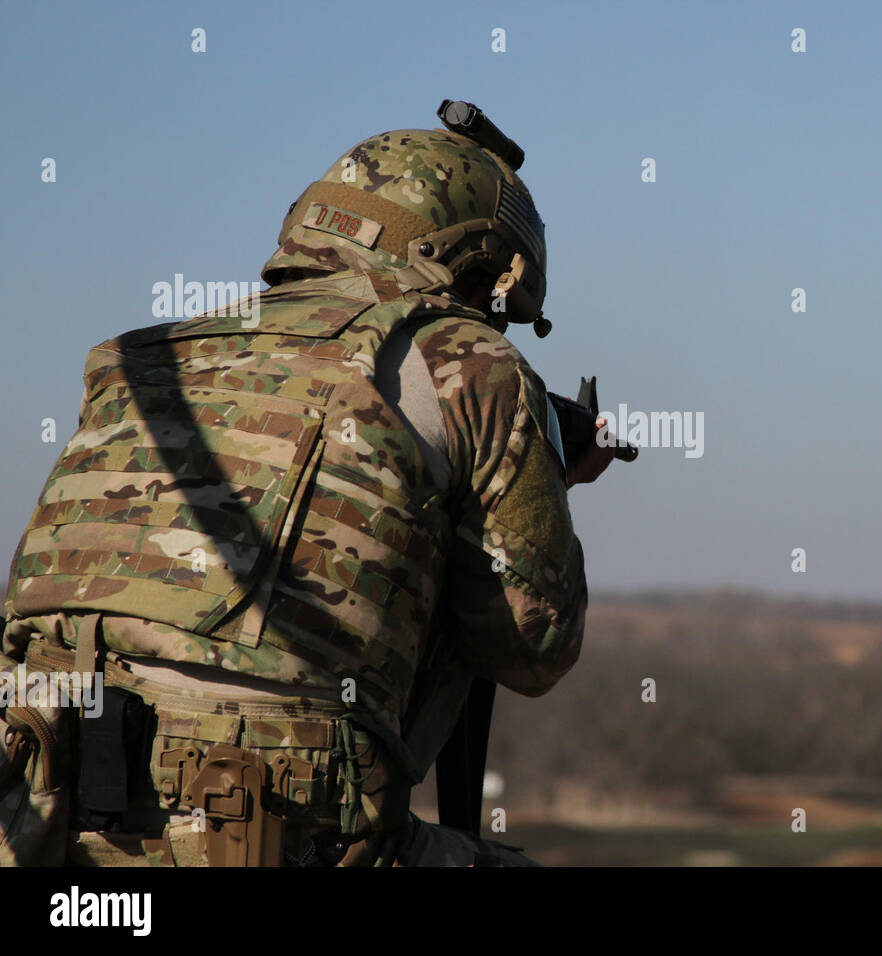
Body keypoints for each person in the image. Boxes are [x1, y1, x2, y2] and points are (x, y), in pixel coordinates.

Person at [0, 104, 613, 866]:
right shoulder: (473, 364)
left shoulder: (135, 357)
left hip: (43, 820)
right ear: (483, 266)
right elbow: (533, 648)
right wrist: (542, 469)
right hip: (264, 824)